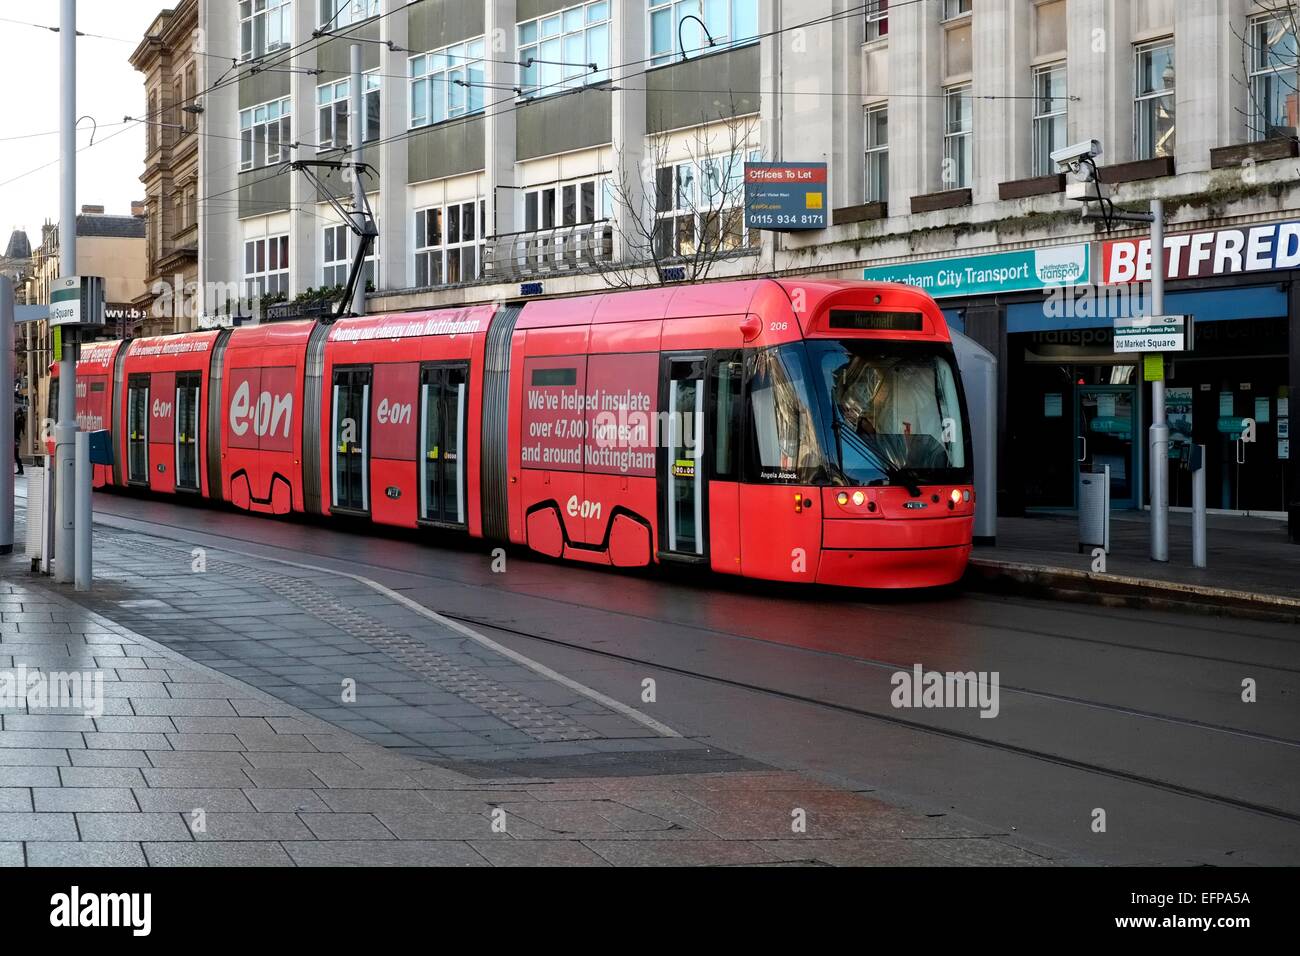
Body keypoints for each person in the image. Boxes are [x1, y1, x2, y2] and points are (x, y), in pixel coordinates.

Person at [13, 400, 24, 476]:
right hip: (17, 439)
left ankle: (20, 469)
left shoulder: (19, 420)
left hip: (15, 438)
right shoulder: (21, 419)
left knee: (15, 455)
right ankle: (20, 469)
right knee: (16, 455)